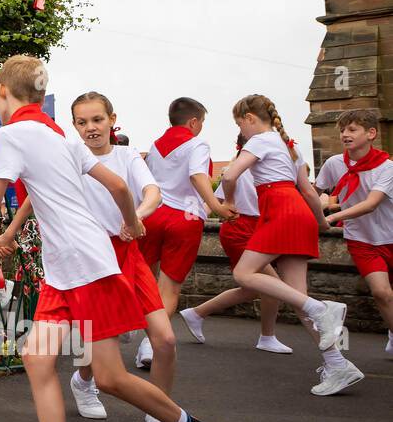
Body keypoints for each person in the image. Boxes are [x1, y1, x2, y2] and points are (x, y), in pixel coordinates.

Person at [0, 56, 234, 422]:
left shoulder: (11, 134)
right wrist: (132, 224)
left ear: (3, 95)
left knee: (109, 378)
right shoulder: (59, 135)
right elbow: (121, 188)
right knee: (37, 358)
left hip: (83, 267)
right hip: (72, 268)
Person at [68, 91, 186, 422]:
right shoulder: (70, 159)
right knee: (98, 343)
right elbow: (35, 197)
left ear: (111, 119)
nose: (91, 128)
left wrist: (138, 217)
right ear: (74, 126)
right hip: (92, 258)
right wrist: (10, 232)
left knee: (165, 340)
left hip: (129, 256)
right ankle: (82, 382)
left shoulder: (126, 156)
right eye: (83, 122)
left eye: (97, 120)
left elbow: (153, 192)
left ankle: (159, 420)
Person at [217, 95, 359, 395]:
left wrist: (228, 200)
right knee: (297, 298)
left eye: (239, 124)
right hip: (298, 212)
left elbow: (229, 174)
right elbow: (308, 191)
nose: (241, 131)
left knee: (244, 274)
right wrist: (320, 223)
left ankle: (323, 308)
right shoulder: (289, 146)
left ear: (249, 118)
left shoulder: (259, 139)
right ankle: (337, 364)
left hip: (279, 210)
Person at [135, 98, 234, 369]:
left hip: (154, 215)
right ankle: (150, 345)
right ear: (193, 121)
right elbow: (197, 174)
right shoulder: (197, 143)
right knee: (168, 289)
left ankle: (142, 337)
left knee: (145, 282)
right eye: (201, 122)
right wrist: (217, 206)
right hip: (184, 218)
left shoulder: (155, 146)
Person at [178, 137, 293, 353]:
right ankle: (267, 337)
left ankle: (197, 313)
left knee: (251, 289)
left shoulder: (262, 170)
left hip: (258, 229)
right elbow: (217, 201)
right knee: (270, 284)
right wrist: (192, 220)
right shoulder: (237, 170)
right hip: (239, 229)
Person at [314, 108, 393, 360]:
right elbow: (314, 192)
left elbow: (371, 203)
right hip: (361, 239)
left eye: (352, 129)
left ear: (371, 133)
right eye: (342, 130)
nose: (344, 135)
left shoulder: (387, 167)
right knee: (382, 292)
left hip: (390, 235)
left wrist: (333, 216)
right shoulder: (334, 164)